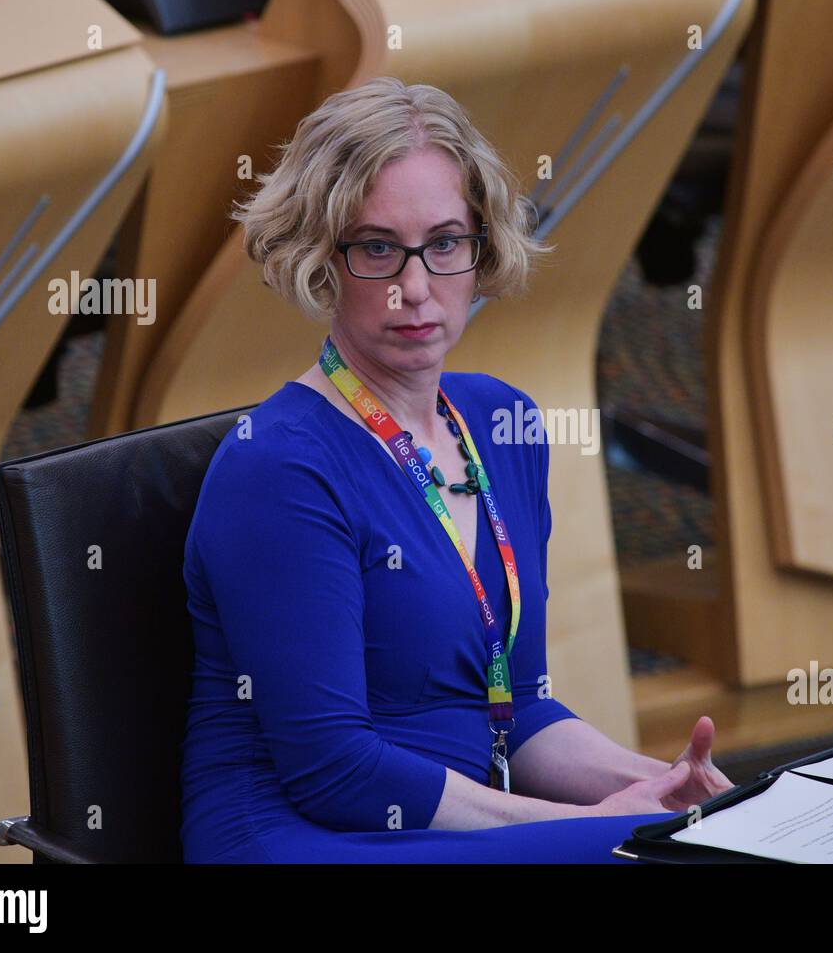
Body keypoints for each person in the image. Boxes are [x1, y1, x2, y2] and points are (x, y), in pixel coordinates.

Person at [179, 76, 733, 863]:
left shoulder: (501, 423)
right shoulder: (279, 467)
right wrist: (590, 826)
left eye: (444, 244)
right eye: (377, 248)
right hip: (304, 836)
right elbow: (333, 772)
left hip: (459, 819)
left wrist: (663, 787)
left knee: (717, 839)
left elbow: (519, 711)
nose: (415, 289)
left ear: (483, 248)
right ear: (320, 259)